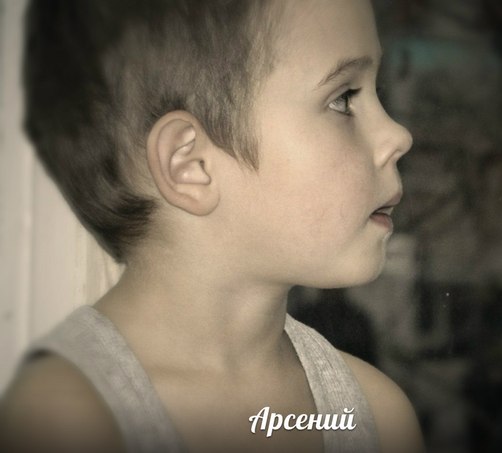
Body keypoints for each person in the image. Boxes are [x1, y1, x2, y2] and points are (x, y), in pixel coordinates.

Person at [0, 0, 422, 451]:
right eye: (343, 99)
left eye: (377, 91)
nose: (399, 136)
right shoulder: (65, 419)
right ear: (192, 165)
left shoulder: (375, 418)